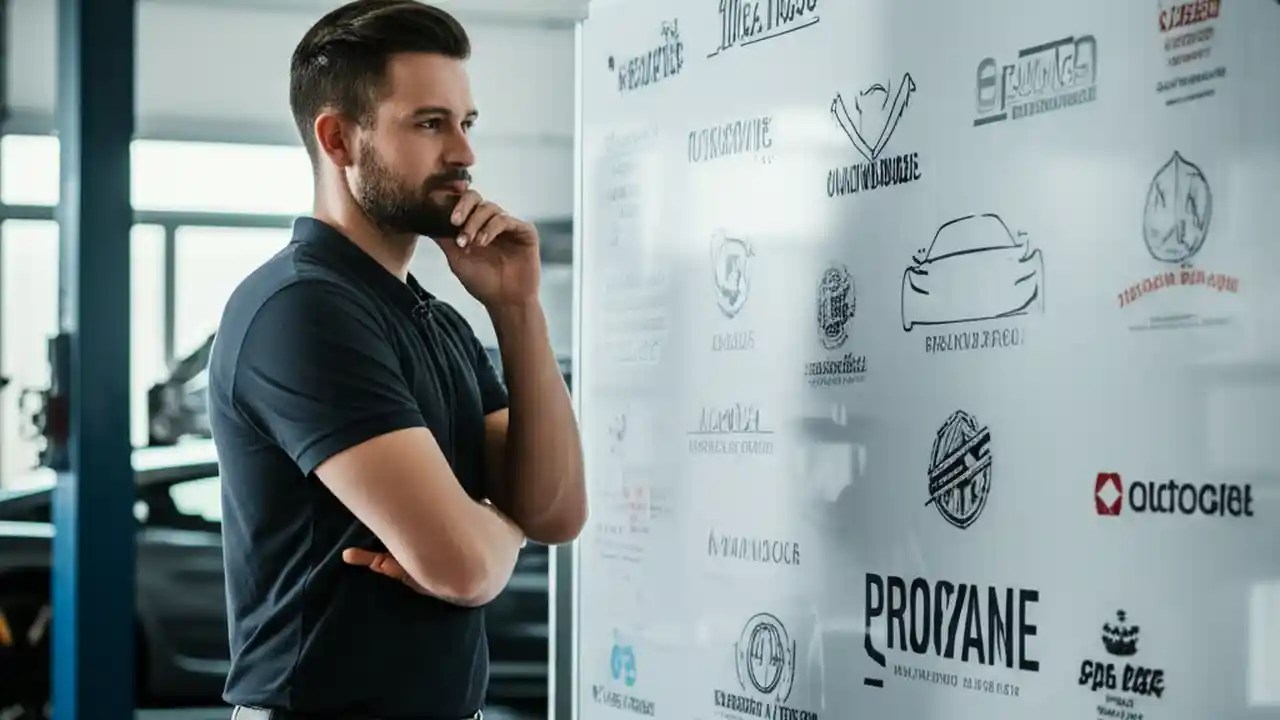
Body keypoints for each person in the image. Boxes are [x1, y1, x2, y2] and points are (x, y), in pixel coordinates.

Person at [206, 1, 587, 717]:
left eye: (466, 124)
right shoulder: (301, 310)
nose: (465, 155)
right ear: (339, 140)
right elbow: (466, 565)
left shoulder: (434, 320)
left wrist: (515, 308)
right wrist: (497, 527)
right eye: (429, 123)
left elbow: (557, 510)